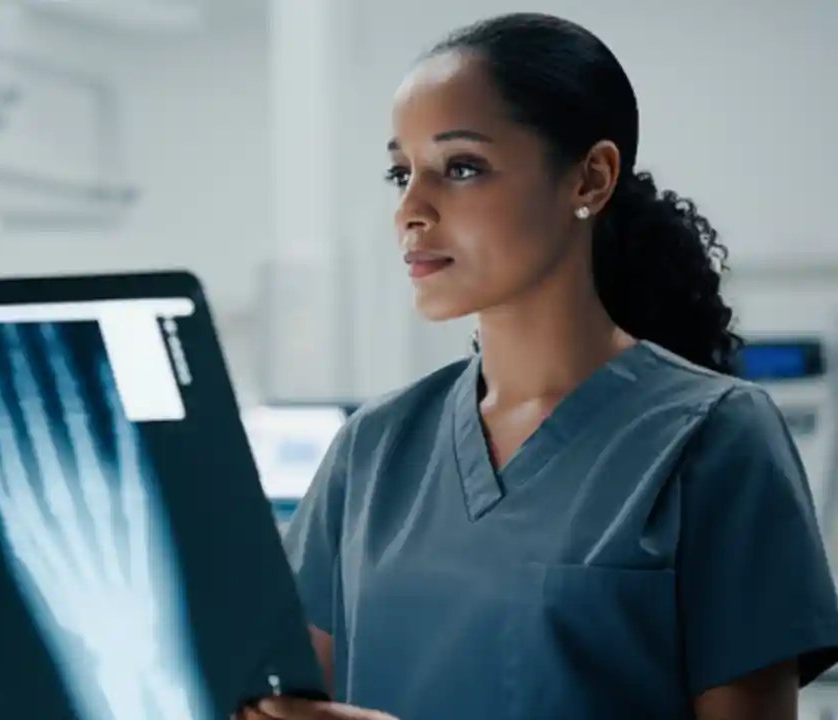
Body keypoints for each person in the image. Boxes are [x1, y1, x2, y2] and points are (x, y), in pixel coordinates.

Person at [238, 11, 838, 720]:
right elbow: (279, 700)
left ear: (590, 178)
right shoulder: (372, 449)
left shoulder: (715, 439)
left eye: (461, 168)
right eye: (401, 172)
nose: (411, 209)